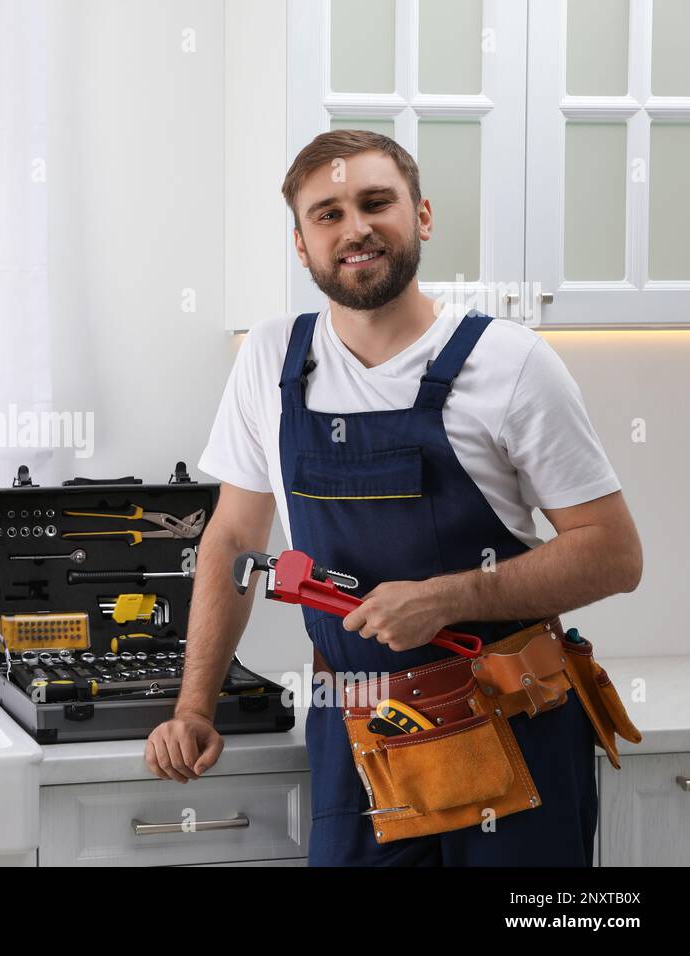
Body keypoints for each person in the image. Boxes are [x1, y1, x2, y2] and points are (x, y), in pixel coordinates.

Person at [144, 129, 643, 866]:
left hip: (516, 729)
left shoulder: (512, 363)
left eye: (377, 203)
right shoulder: (271, 360)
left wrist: (447, 598)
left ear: (423, 217)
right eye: (329, 213)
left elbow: (614, 555)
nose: (356, 228)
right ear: (302, 243)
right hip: (358, 733)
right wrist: (194, 707)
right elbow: (232, 541)